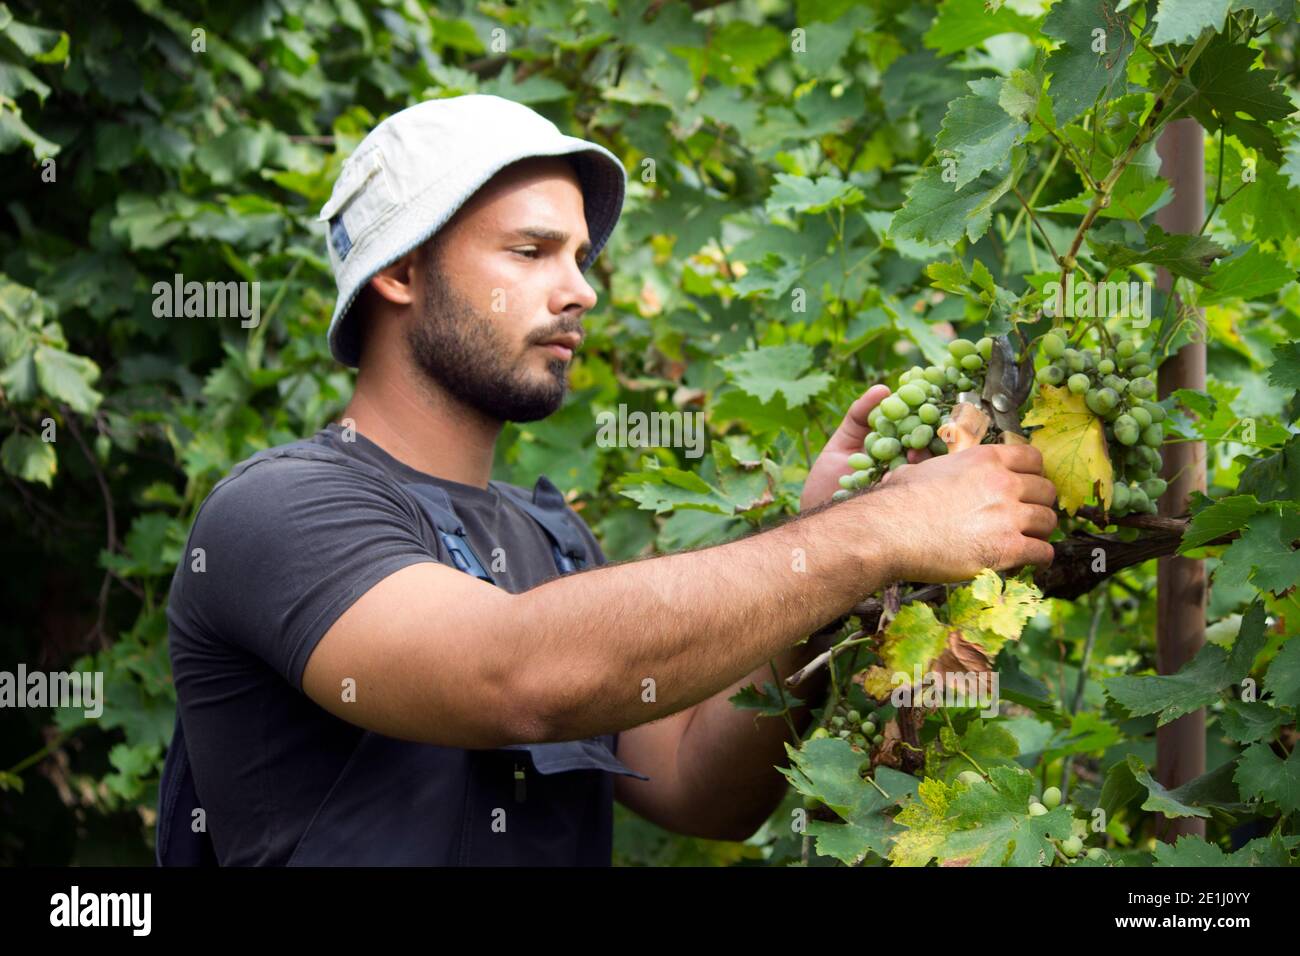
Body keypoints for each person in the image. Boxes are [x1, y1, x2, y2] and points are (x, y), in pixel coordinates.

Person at [159, 94, 1058, 866]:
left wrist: (829, 544)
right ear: (398, 269)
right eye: (531, 252)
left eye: (581, 258)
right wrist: (876, 532)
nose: (580, 290)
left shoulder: (551, 543)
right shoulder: (276, 512)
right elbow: (511, 673)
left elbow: (704, 795)